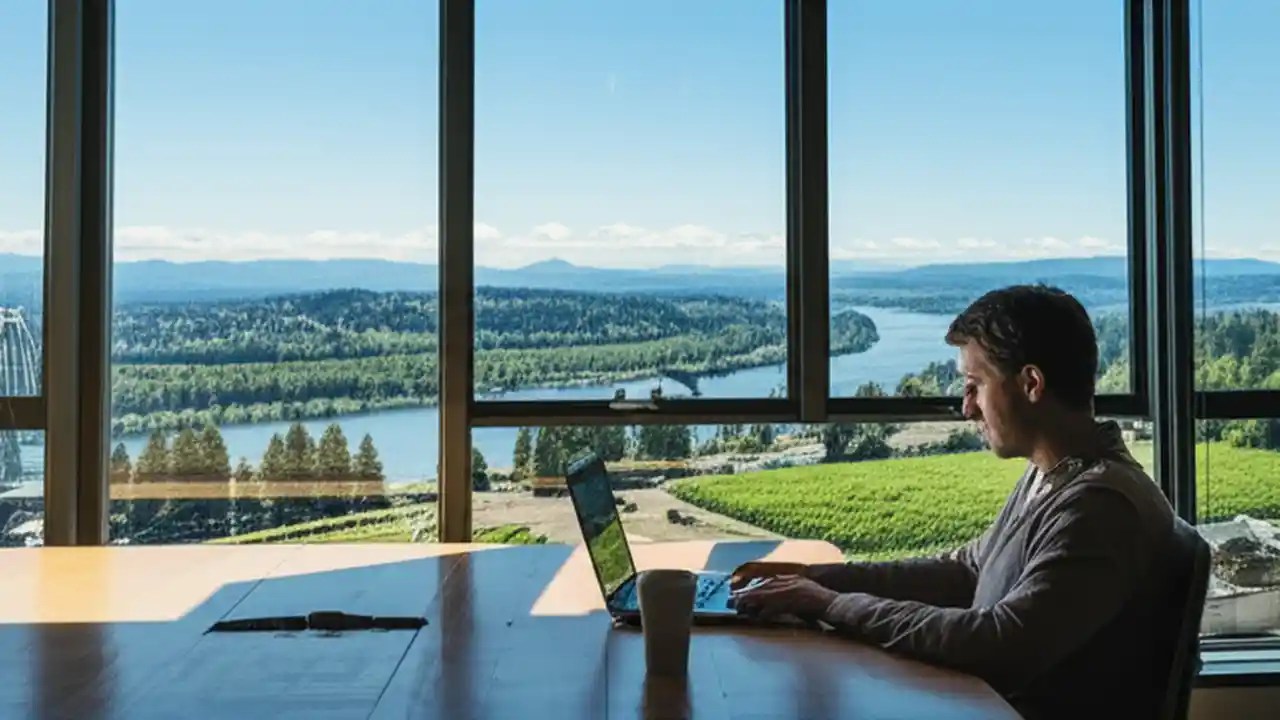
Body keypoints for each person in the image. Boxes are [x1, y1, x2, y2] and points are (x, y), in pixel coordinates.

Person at [731, 285, 1176, 720]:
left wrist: (829, 604)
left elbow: (1000, 646)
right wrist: (813, 579)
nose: (967, 408)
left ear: (1031, 384)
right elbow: (967, 570)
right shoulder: (1056, 476)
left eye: (974, 385)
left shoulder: (1099, 507)